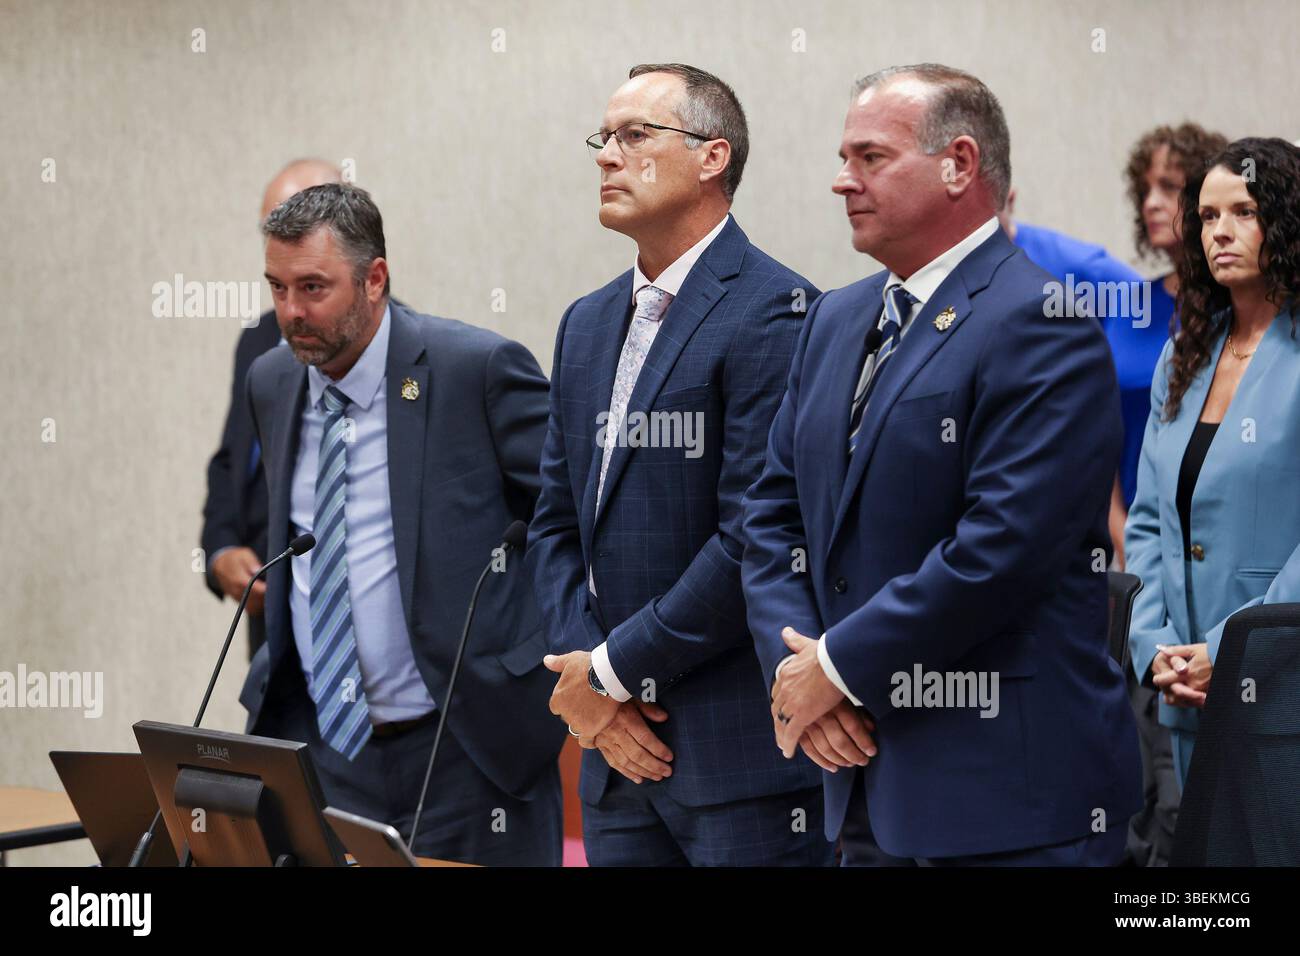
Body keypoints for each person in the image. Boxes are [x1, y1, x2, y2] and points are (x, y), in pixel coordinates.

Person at [741, 63, 1141, 866]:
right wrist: (804, 675)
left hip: (1003, 795)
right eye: (842, 157)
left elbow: (999, 551)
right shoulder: (833, 319)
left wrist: (839, 668)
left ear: (959, 163)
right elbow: (770, 515)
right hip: (854, 772)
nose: (840, 180)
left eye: (869, 157)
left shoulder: (1040, 321)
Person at [528, 63, 831, 866]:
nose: (606, 156)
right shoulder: (585, 324)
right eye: (605, 138)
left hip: (738, 764)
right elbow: (555, 526)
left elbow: (750, 539)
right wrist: (585, 685)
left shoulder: (775, 309)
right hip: (612, 764)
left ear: (712, 158)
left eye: (635, 136)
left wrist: (611, 673)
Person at [240, 183, 564, 865]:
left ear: (375, 279)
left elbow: (571, 522)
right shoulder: (272, 381)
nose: (291, 313)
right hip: (327, 751)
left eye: (313, 287)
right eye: (277, 288)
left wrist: (544, 661)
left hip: (465, 748)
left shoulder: (474, 369)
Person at [1126, 137, 1300, 789]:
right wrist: (1154, 649)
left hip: (1284, 696)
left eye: (1244, 212)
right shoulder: (1183, 358)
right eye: (1206, 217)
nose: (1220, 232)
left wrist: (1227, 651)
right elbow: (1146, 520)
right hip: (1185, 696)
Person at [201, 159, 342, 659]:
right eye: (271, 228)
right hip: (273, 632)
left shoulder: (401, 349)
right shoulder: (260, 340)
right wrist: (219, 552)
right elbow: (232, 459)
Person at [1111, 125, 1228, 568]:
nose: (1151, 203)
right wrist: (1123, 534)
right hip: (1138, 536)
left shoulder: (1241, 306)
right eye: (1145, 190)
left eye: (1168, 187)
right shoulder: (1128, 303)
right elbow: (1102, 427)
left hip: (1216, 542)